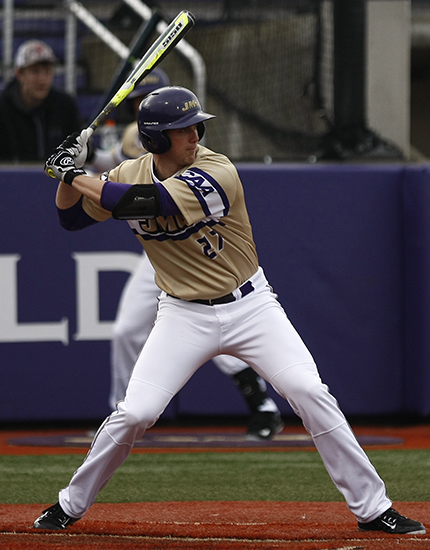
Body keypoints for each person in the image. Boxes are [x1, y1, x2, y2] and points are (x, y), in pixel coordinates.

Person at [34, 86, 425, 535]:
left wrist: (71, 173)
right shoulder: (129, 170)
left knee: (310, 391)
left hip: (250, 307)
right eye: (183, 131)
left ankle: (374, 508)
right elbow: (71, 218)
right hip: (182, 314)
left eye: (196, 127)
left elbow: (143, 203)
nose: (195, 136)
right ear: (157, 140)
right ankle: (68, 505)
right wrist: (66, 175)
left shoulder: (217, 170)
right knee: (136, 412)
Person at [95, 69, 283, 440]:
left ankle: (261, 404)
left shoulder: (194, 150)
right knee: (125, 330)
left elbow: (126, 194)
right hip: (161, 255)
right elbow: (107, 172)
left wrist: (74, 174)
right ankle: (119, 415)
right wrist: (82, 155)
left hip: (199, 252)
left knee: (222, 329)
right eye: (138, 103)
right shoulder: (137, 137)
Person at [0, 40, 81, 162]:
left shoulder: (66, 106)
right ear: (19, 74)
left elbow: (77, 154)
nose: (42, 79)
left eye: (48, 71)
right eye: (35, 71)